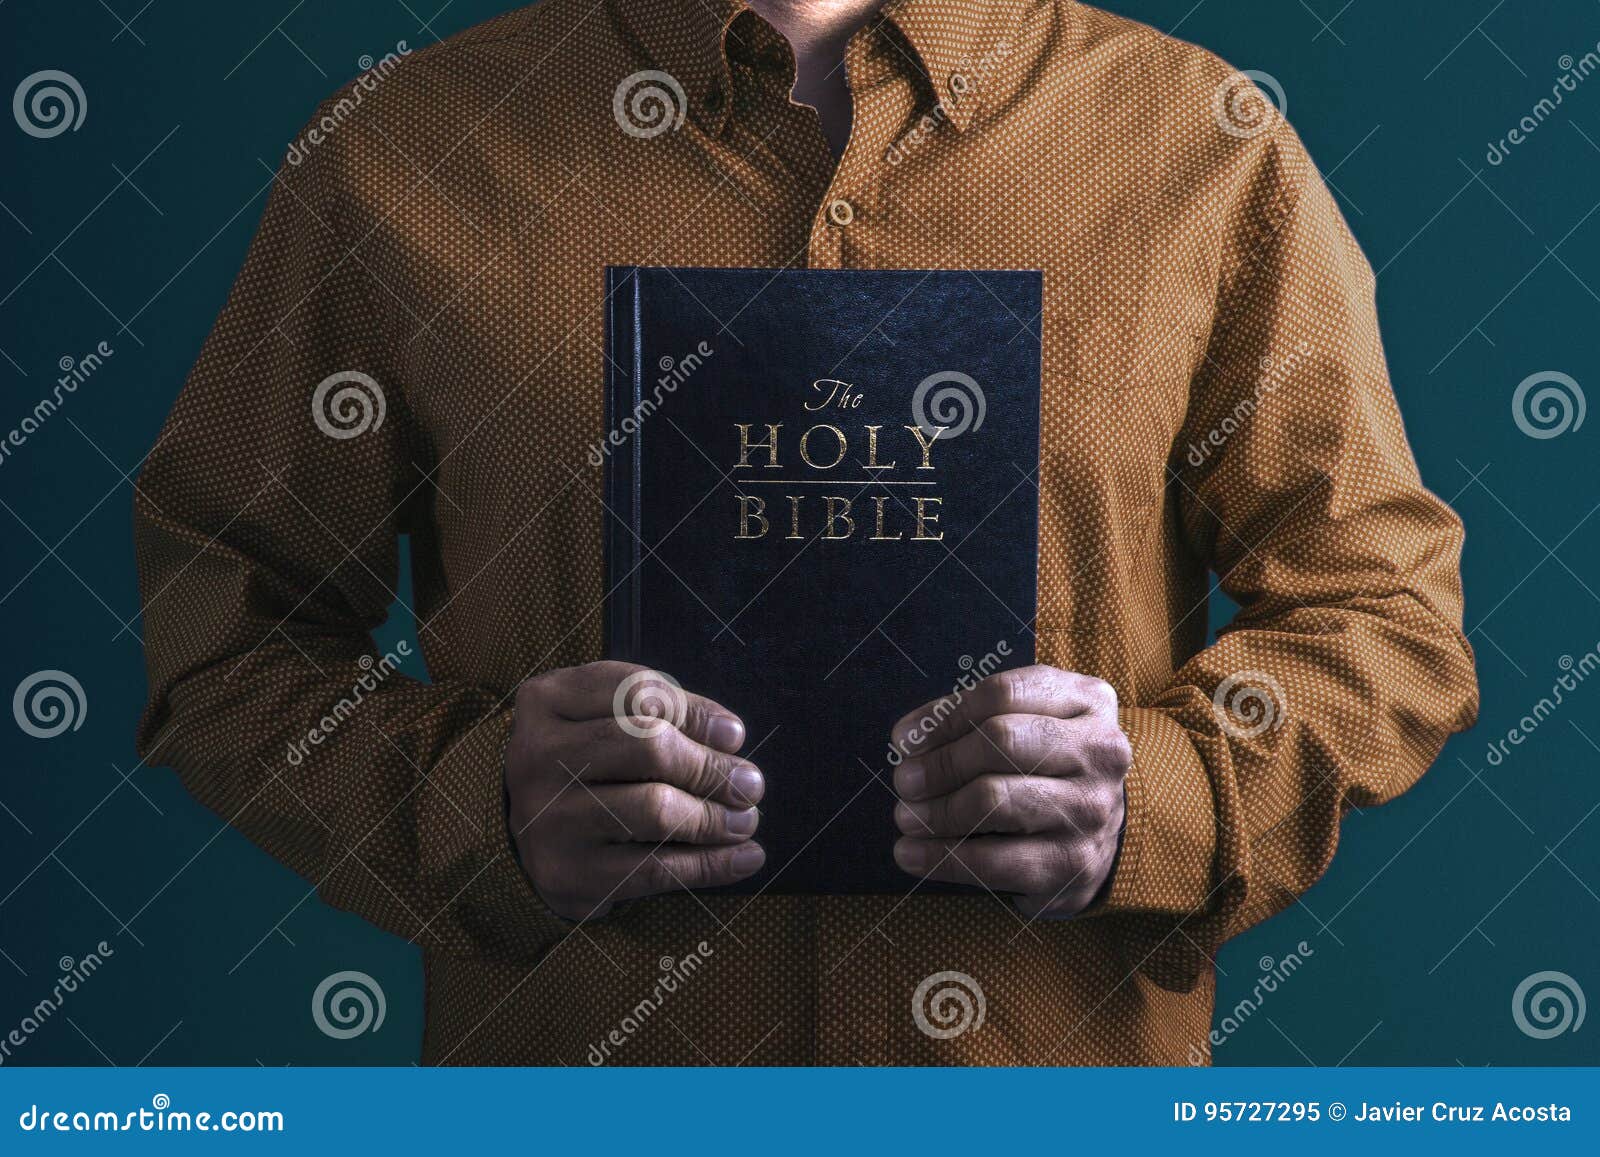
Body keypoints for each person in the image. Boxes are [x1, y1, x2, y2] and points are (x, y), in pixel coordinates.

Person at [134, 0, 1479, 1064]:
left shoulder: (1207, 148)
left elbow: (1389, 620)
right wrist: (468, 804)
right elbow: (224, 628)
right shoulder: (400, 150)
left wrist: (1166, 797)